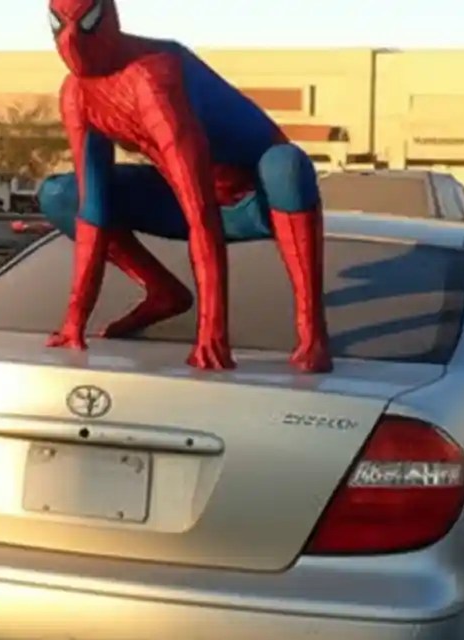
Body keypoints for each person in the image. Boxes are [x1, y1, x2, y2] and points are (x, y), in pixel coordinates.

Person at [38, 0, 332, 373]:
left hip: (251, 202)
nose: (71, 40)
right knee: (61, 194)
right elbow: (92, 208)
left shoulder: (153, 75)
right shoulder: (77, 94)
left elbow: (201, 210)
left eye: (87, 22)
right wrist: (73, 322)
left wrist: (212, 334)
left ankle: (312, 333)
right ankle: (163, 292)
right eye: (58, 24)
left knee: (286, 164)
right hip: (179, 197)